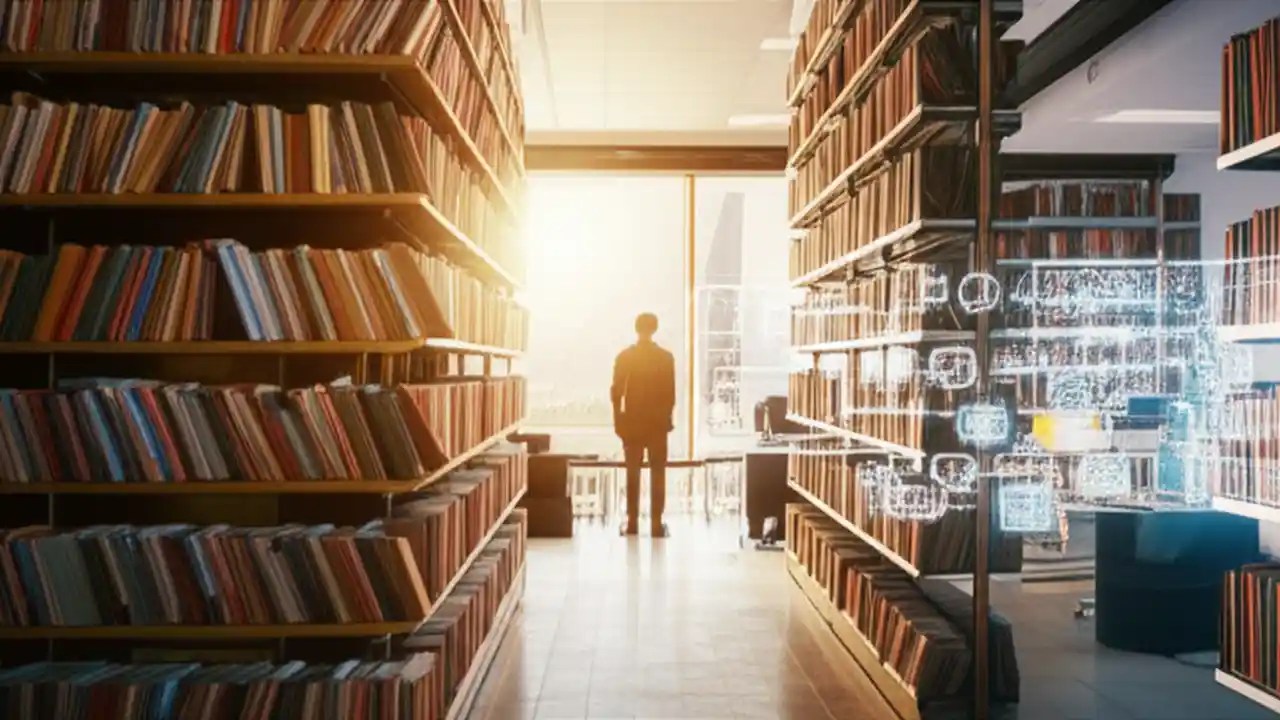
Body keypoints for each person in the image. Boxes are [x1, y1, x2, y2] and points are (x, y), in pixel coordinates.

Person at [611, 312, 675, 537]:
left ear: (636, 328)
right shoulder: (666, 358)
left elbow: (616, 392)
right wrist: (667, 419)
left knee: (632, 473)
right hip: (657, 424)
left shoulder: (625, 357)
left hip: (632, 423)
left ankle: (632, 522)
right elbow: (670, 394)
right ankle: (657, 523)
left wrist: (617, 421)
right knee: (658, 472)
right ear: (655, 328)